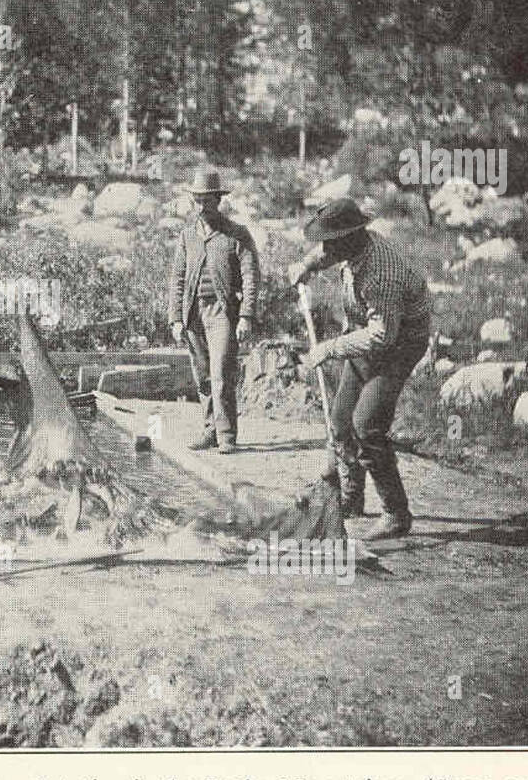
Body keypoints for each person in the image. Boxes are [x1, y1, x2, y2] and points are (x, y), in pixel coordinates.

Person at [288, 197, 432, 539]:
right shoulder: (352, 247)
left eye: (330, 242)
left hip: (399, 343)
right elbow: (327, 253)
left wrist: (330, 349)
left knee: (366, 425)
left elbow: (382, 336)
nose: (325, 249)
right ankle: (350, 498)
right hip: (367, 334)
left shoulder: (380, 272)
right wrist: (307, 265)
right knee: (340, 421)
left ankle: (396, 513)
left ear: (351, 237)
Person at [167, 166, 260, 454]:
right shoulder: (187, 236)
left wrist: (245, 316)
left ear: (218, 200)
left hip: (222, 313)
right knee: (203, 376)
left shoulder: (236, 235)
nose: (201, 206)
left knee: (221, 374)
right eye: (197, 200)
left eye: (207, 200)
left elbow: (251, 276)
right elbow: (177, 279)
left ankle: (226, 435)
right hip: (193, 313)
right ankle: (210, 430)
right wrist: (175, 319)